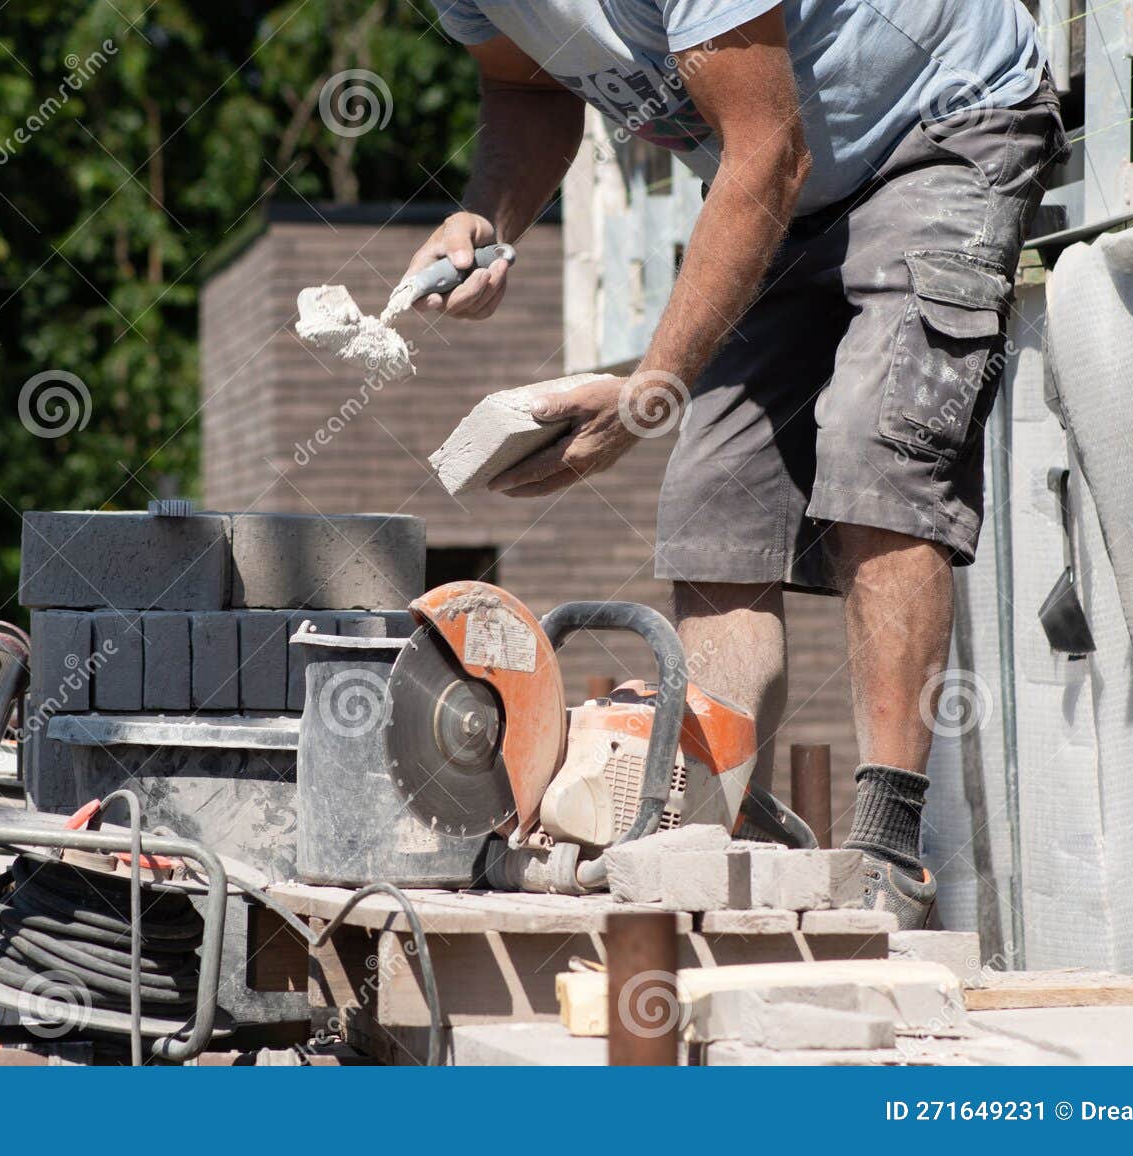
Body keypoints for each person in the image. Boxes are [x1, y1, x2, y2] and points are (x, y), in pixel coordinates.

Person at [408, 0, 1066, 927]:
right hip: (789, 180)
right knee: (715, 498)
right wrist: (488, 214)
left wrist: (648, 392)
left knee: (879, 446)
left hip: (941, 123)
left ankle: (888, 845)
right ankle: (715, 817)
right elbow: (524, 90)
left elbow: (767, 152)